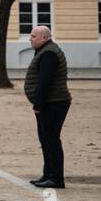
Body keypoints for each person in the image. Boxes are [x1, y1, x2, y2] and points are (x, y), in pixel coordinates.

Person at [24, 25, 69, 189]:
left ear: (45, 37)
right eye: (31, 36)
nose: (30, 39)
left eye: (33, 36)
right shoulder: (45, 50)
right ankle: (48, 174)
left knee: (51, 140)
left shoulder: (49, 53)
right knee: (46, 139)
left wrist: (38, 104)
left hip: (53, 103)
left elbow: (46, 81)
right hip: (50, 102)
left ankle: (56, 178)